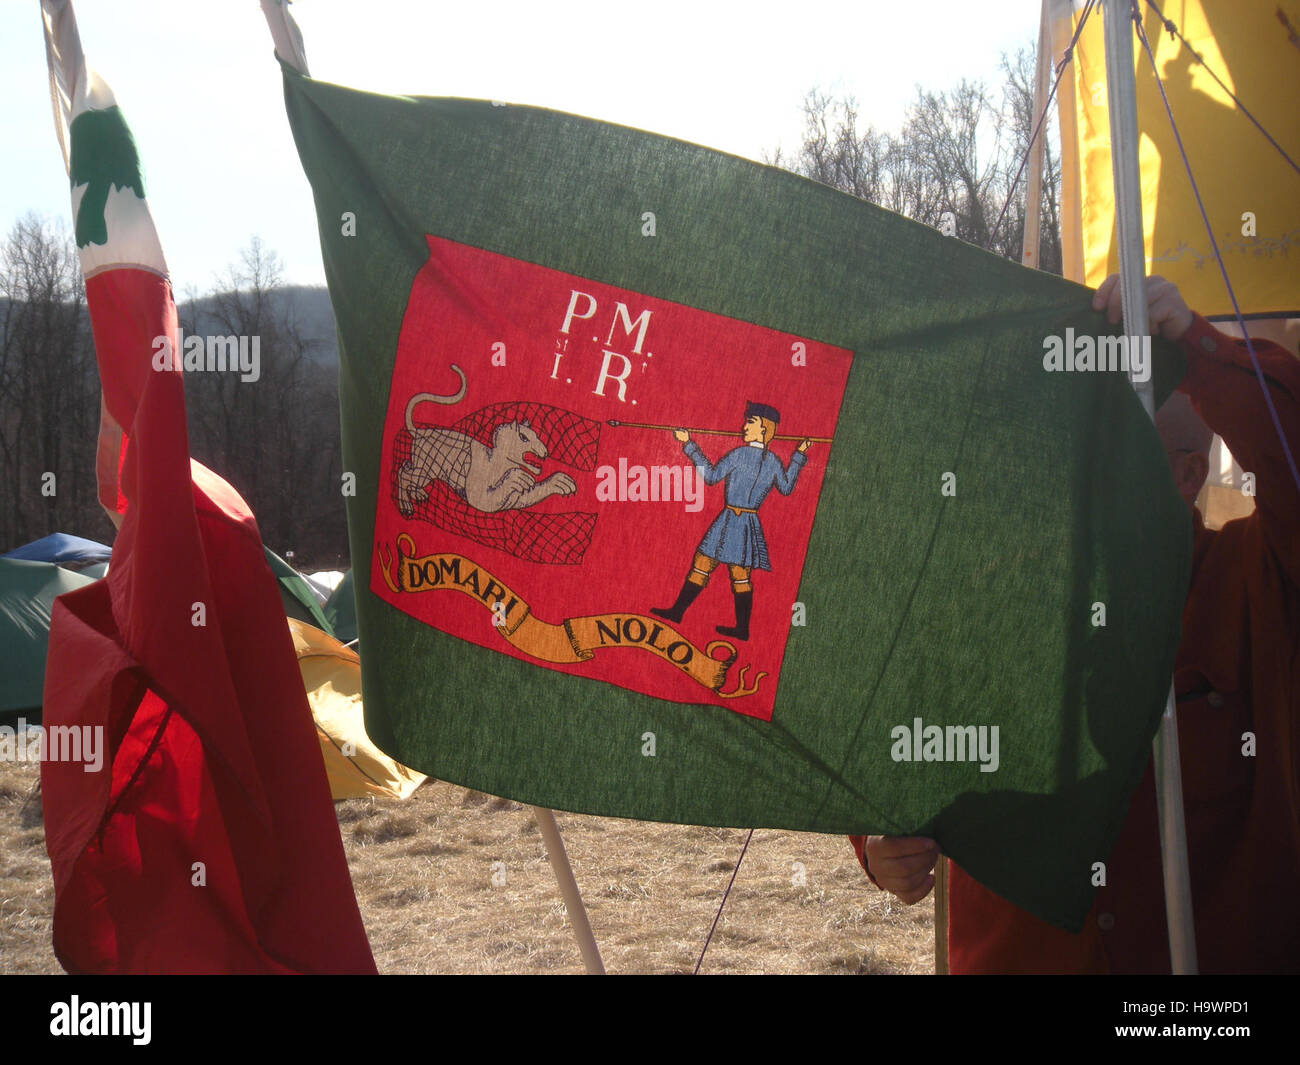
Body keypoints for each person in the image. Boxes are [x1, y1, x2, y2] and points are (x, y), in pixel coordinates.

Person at [852, 274, 1300, 974]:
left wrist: (1201, 352)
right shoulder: (985, 591)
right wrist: (880, 845)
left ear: (1186, 477)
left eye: (1110, 448)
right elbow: (889, 736)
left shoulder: (1252, 579)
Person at [652, 402, 810, 640]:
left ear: (764, 429)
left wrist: (689, 444)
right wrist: (799, 455)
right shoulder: (774, 461)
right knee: (738, 575)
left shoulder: (739, 454)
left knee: (705, 564)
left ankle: (685, 613)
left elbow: (712, 476)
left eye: (750, 422)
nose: (743, 426)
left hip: (729, 521)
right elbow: (787, 487)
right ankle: (736, 627)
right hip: (747, 524)